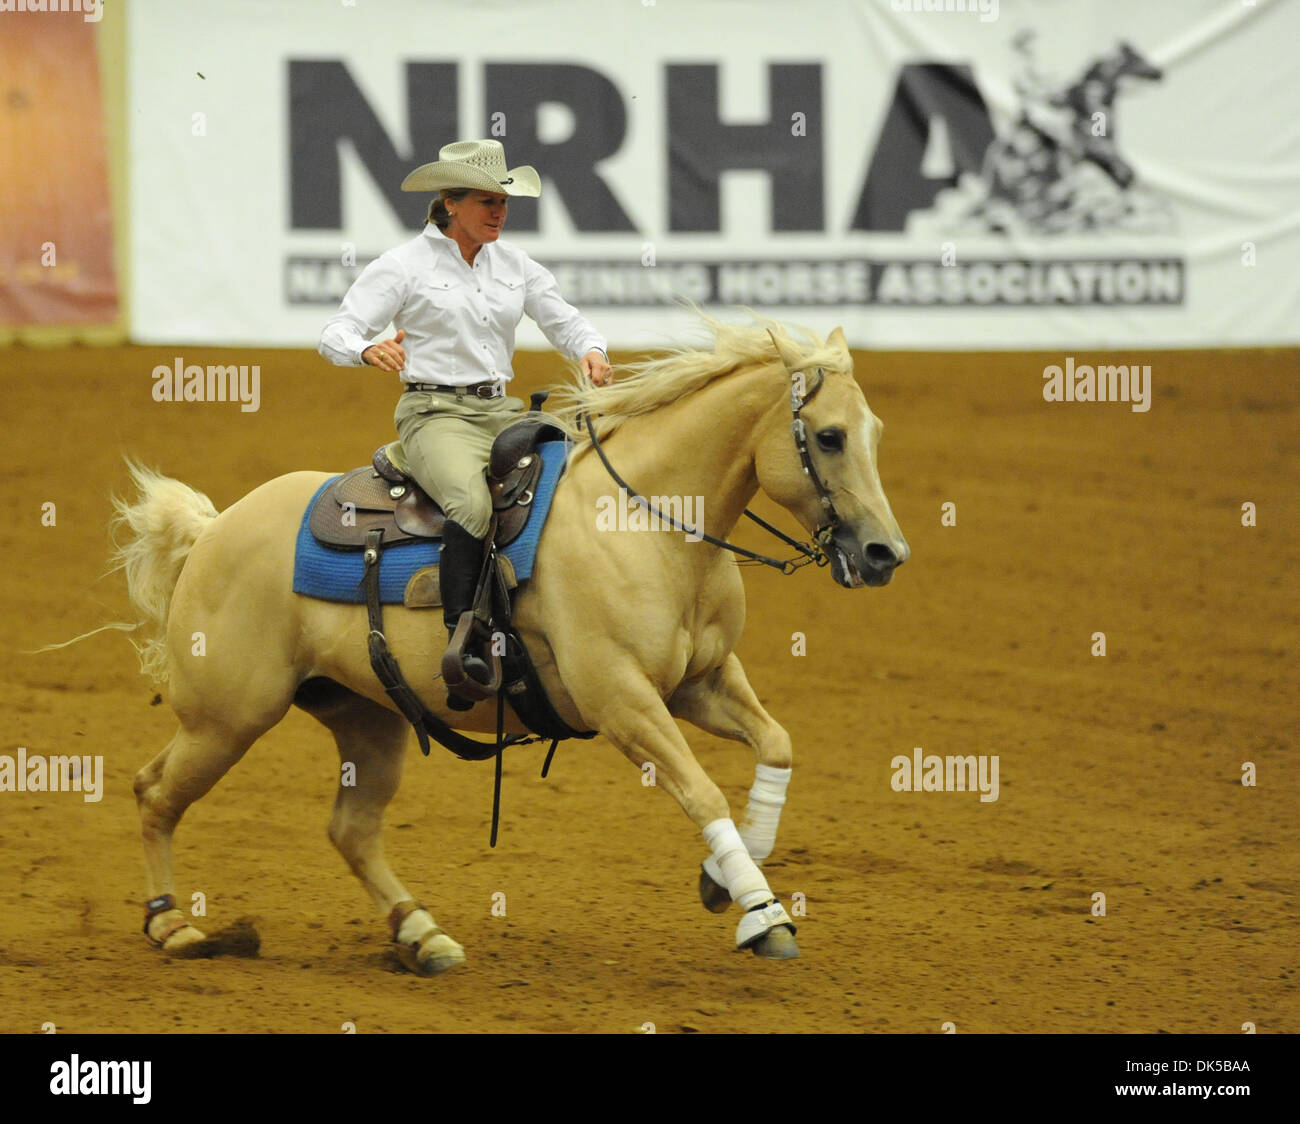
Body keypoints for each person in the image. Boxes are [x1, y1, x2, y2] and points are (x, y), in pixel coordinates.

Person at [319, 139, 612, 708]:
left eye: (505, 200)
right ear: (450, 203)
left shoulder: (516, 264)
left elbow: (565, 320)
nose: (500, 210)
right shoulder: (403, 266)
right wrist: (366, 350)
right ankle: (466, 638)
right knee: (472, 505)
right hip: (434, 412)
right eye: (487, 200)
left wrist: (591, 349)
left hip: (501, 408)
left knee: (576, 478)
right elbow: (336, 332)